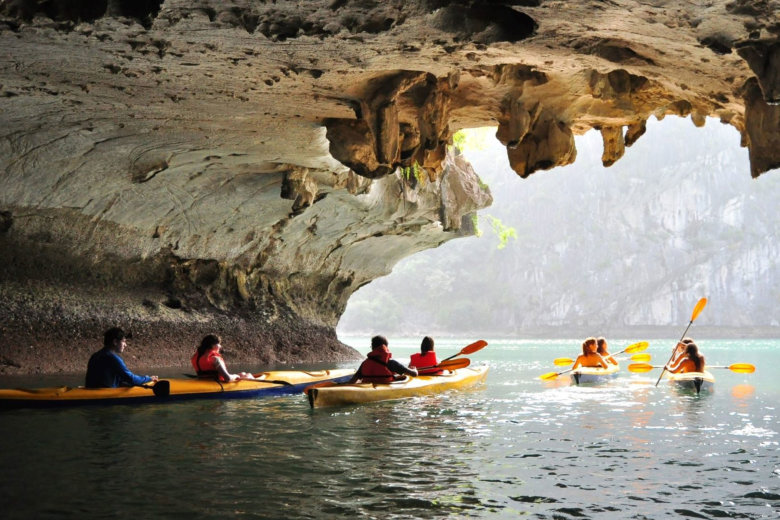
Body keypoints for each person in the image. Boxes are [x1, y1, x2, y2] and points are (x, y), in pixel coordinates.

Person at [85, 327, 158, 388]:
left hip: (91, 391)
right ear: (115, 342)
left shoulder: (95, 355)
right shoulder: (112, 358)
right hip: (105, 396)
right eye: (124, 341)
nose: (125, 345)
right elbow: (131, 379)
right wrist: (148, 378)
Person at [348, 335, 418, 383]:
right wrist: (414, 369)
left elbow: (352, 381)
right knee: (402, 377)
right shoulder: (391, 363)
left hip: (368, 388)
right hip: (384, 389)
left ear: (372, 348)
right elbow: (414, 374)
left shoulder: (365, 363)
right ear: (386, 348)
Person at [191, 334, 255, 382]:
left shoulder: (195, 357)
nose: (220, 346)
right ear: (212, 345)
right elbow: (228, 379)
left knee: (243, 373)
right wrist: (236, 376)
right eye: (219, 344)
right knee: (248, 375)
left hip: (203, 382)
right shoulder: (215, 359)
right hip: (217, 383)